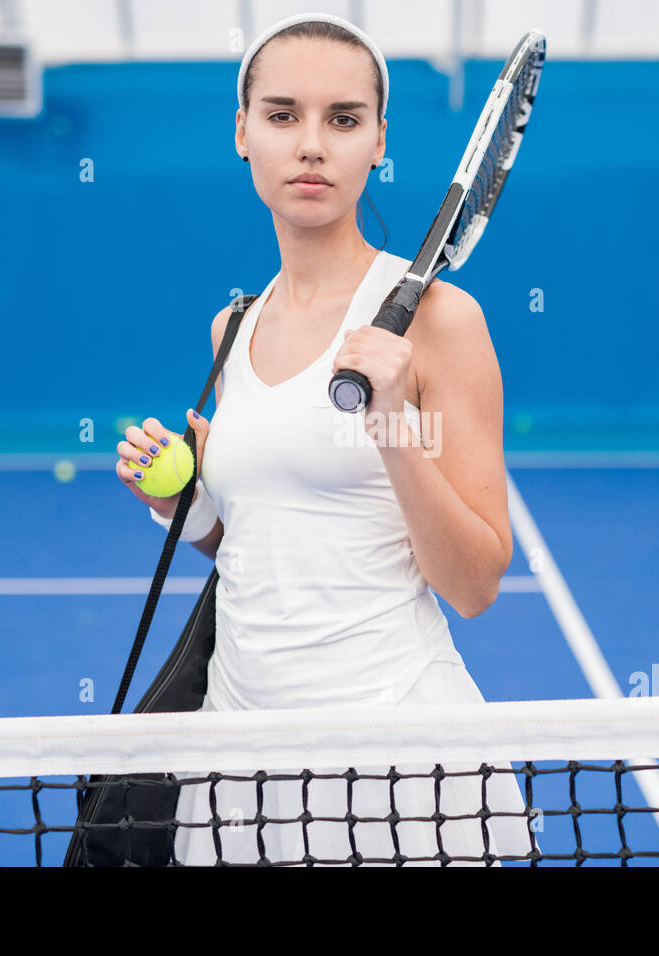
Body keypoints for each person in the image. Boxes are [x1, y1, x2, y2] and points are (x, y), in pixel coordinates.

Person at [114, 12, 533, 866]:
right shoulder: (230, 329)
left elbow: (477, 582)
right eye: (282, 115)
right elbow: (262, 549)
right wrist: (184, 512)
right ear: (242, 134)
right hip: (235, 759)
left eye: (343, 119)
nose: (312, 145)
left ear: (379, 141)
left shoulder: (442, 323)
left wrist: (390, 427)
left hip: (398, 762)